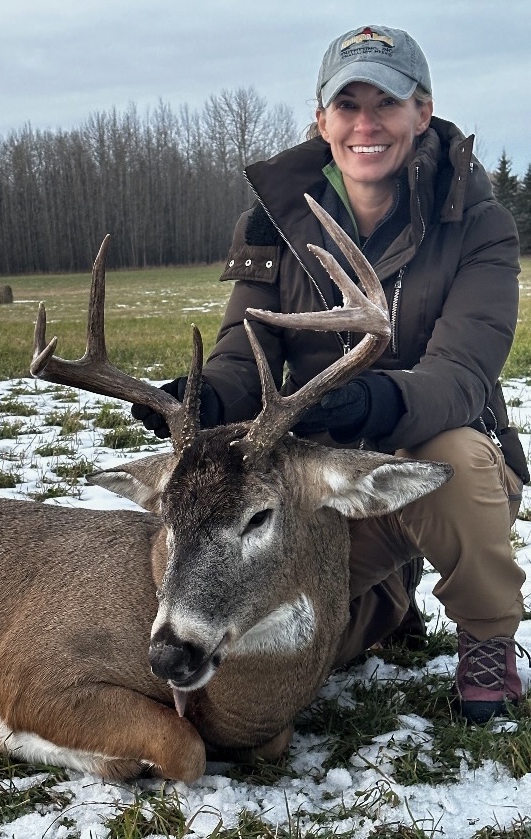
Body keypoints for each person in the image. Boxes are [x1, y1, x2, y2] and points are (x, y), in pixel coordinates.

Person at [132, 24, 530, 724]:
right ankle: (384, 603)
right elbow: (241, 346)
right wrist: (206, 396)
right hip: (315, 467)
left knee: (458, 457)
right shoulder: (273, 223)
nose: (366, 123)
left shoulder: (478, 225)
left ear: (423, 112)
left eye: (388, 102)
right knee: (298, 650)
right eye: (348, 105)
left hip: (427, 460)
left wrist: (374, 401)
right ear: (321, 119)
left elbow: (464, 375)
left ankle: (488, 641)